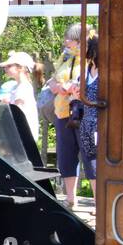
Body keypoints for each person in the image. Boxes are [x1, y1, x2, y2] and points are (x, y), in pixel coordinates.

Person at [47, 23, 90, 209]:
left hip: (84, 113)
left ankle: (98, 201)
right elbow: (53, 79)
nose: (66, 41)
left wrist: (73, 86)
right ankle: (71, 198)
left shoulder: (91, 57)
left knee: (89, 155)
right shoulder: (65, 56)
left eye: (70, 39)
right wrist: (56, 86)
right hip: (62, 112)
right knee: (66, 156)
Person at [0, 50, 38, 134]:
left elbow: (17, 112)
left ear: (20, 67)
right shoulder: (18, 86)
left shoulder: (23, 87)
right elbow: (8, 98)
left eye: (9, 66)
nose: (5, 68)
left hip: (23, 135)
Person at [78, 35, 100, 189]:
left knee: (101, 162)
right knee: (90, 163)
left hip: (101, 123)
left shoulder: (109, 70)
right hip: (86, 123)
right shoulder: (86, 69)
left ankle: (100, 202)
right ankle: (96, 201)